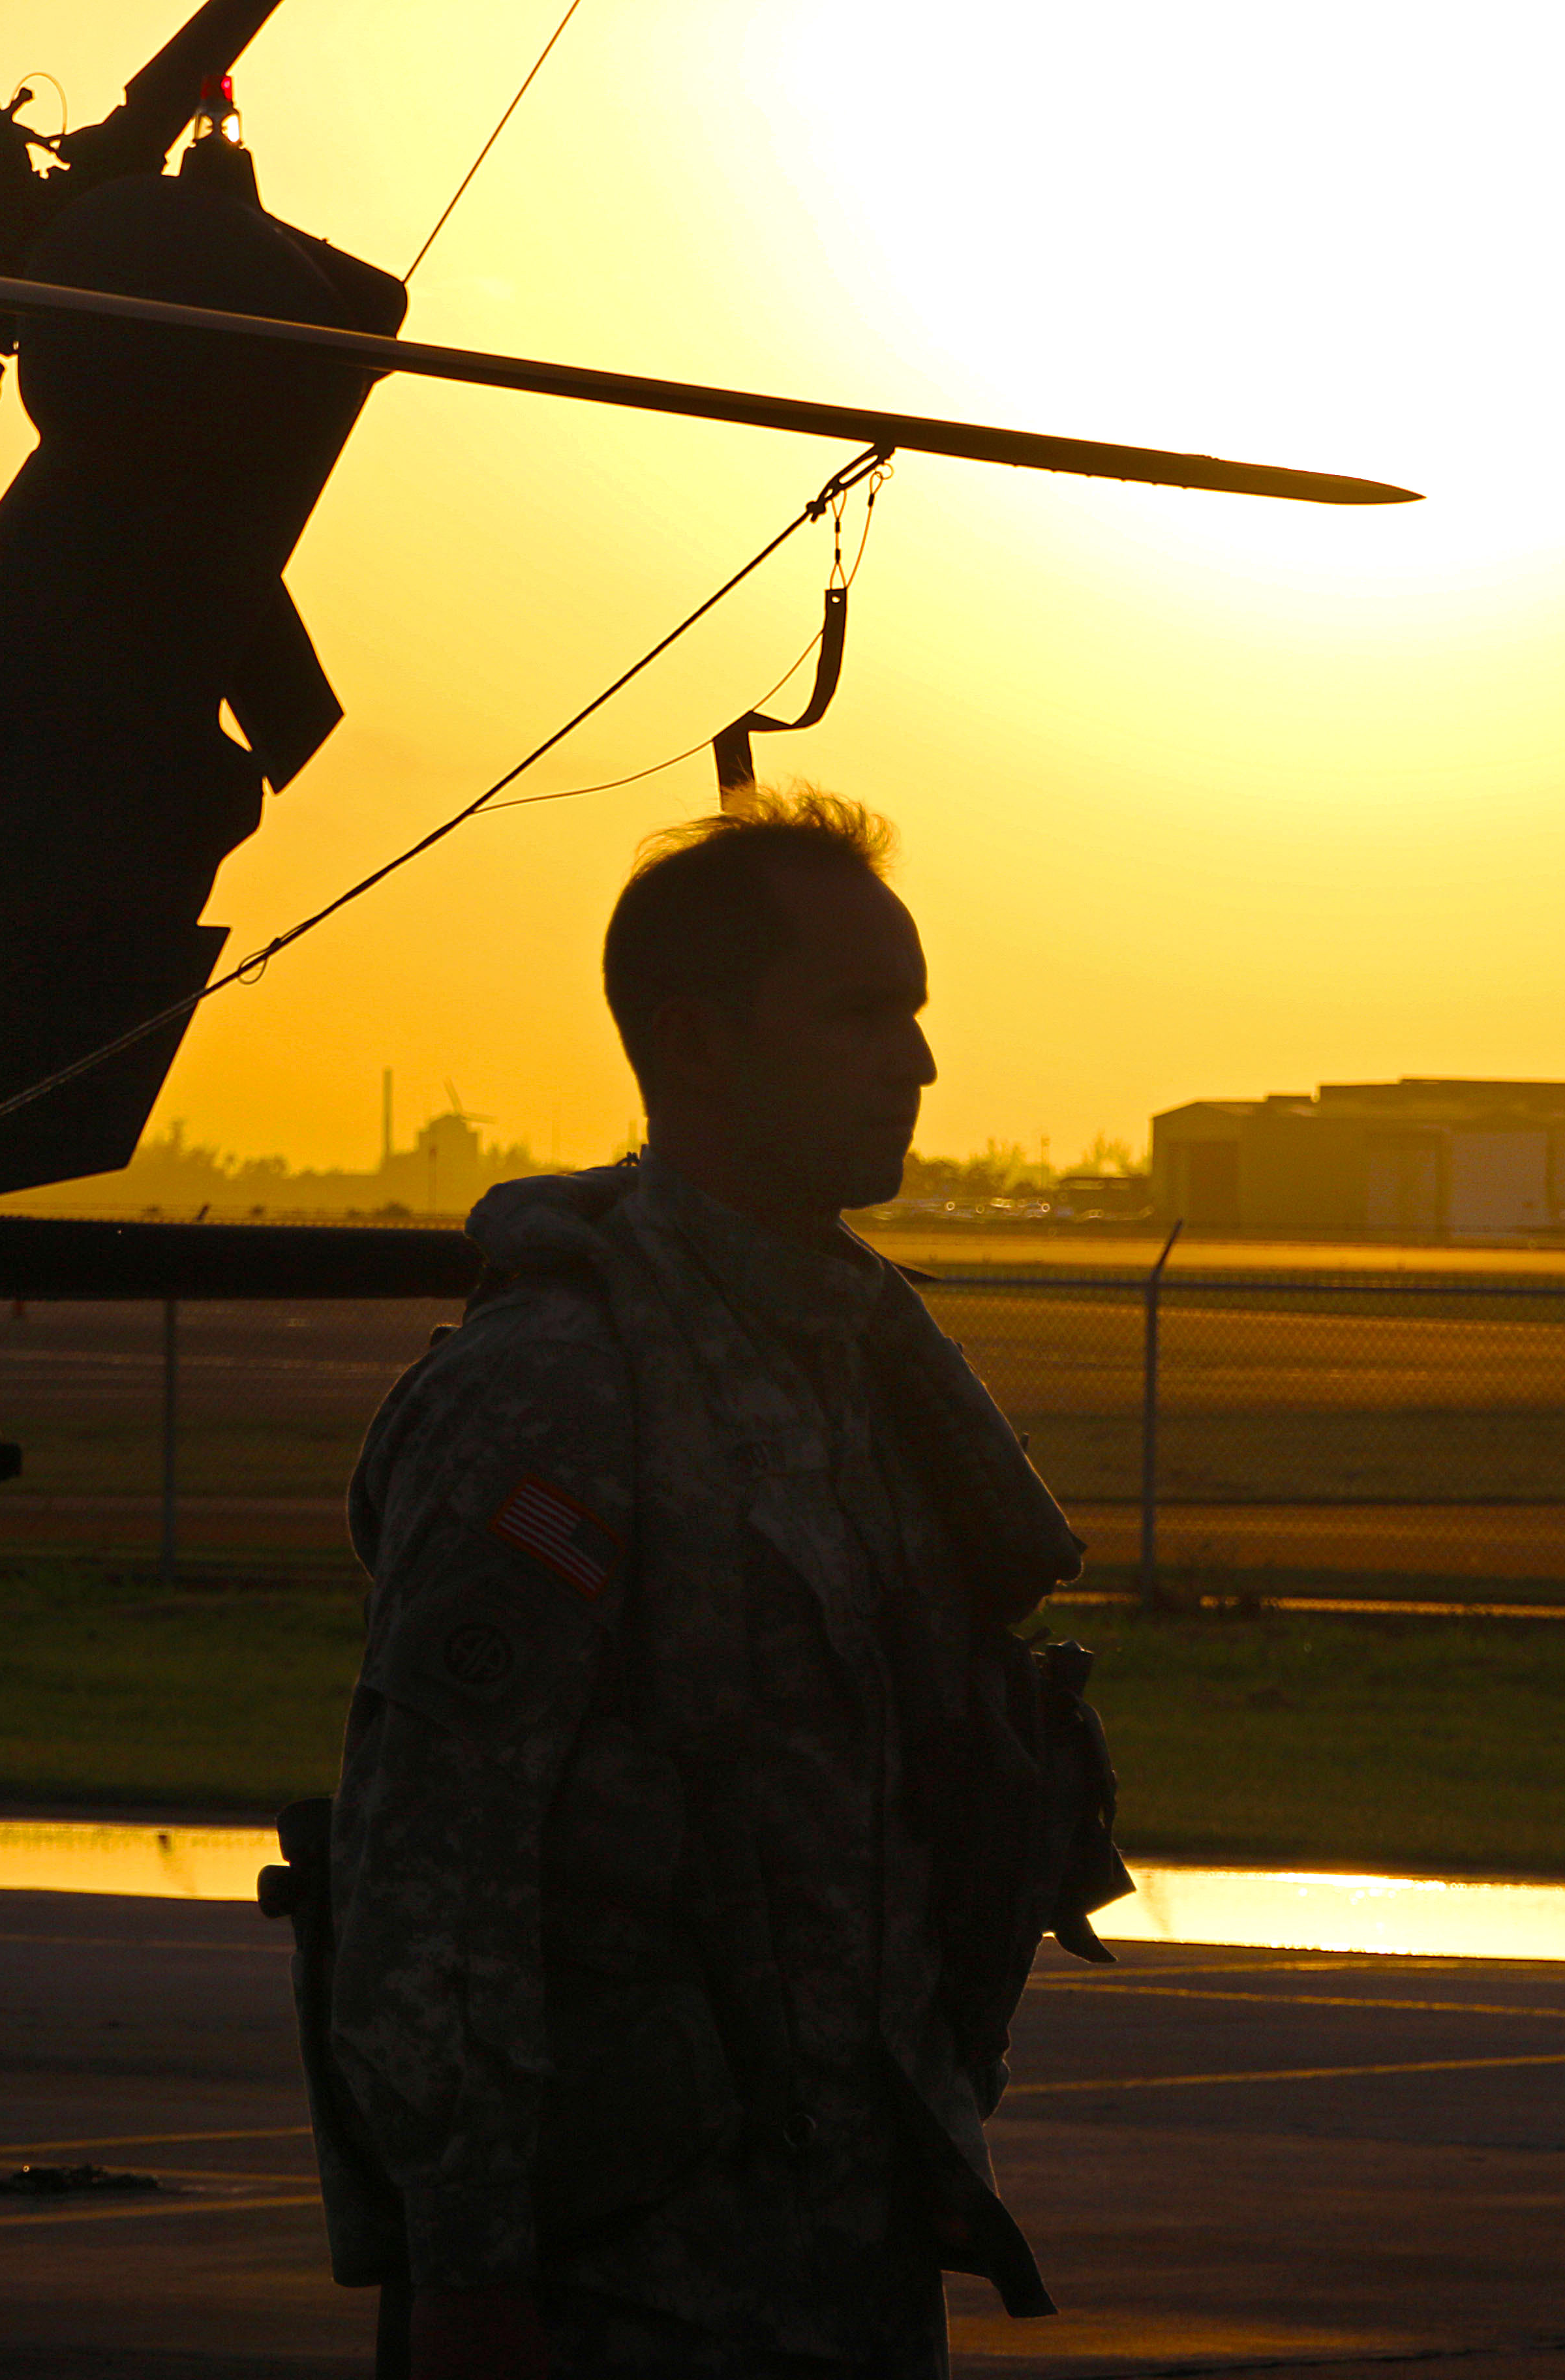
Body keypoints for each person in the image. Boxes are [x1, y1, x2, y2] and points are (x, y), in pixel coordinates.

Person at [307, 788, 1129, 2379]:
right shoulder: (553, 1395)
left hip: (853, 2268)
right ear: (697, 1046)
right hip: (618, 2293)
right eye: (860, 1015)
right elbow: (437, 1859)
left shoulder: (864, 1378)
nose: (918, 1062)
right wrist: (470, 2268)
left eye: (916, 1013)